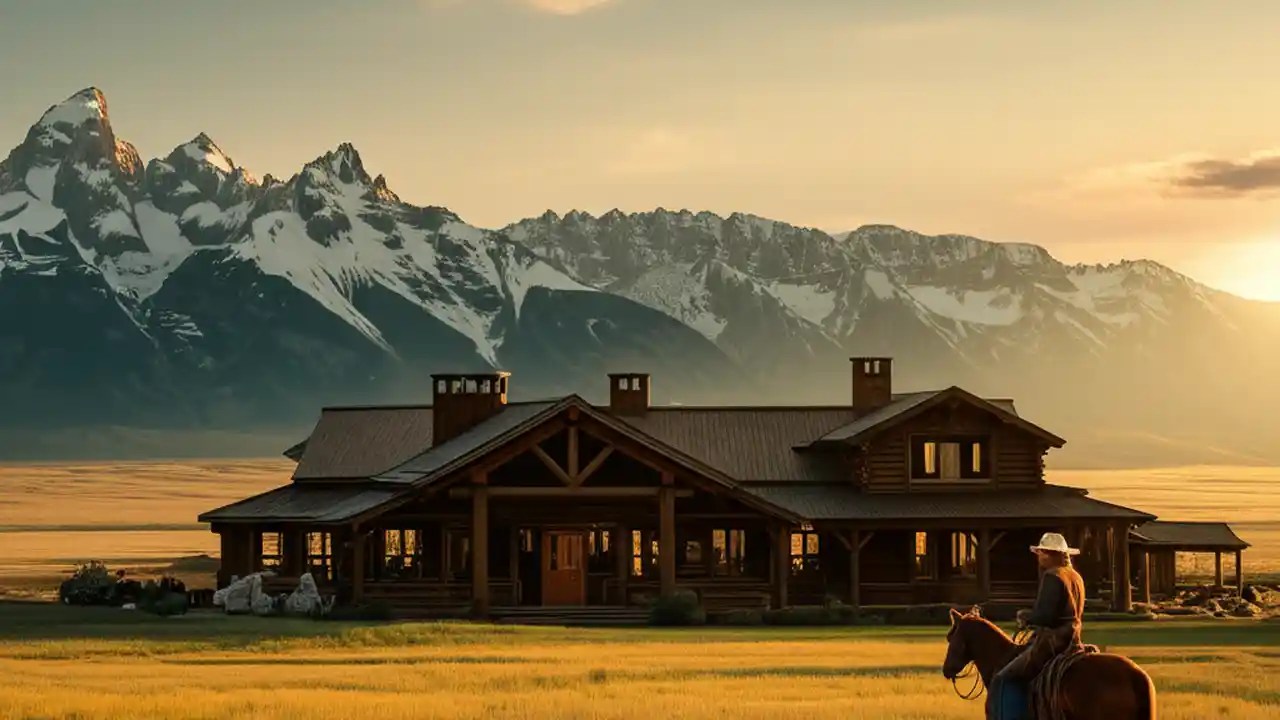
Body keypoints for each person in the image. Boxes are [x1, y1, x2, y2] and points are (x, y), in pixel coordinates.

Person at [988, 532, 1085, 720]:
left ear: (1051, 555)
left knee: (1004, 678)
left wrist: (1026, 617)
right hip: (1073, 639)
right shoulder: (1075, 577)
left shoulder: (1052, 576)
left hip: (1052, 641)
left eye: (1041, 553)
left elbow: (1045, 616)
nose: (1039, 557)